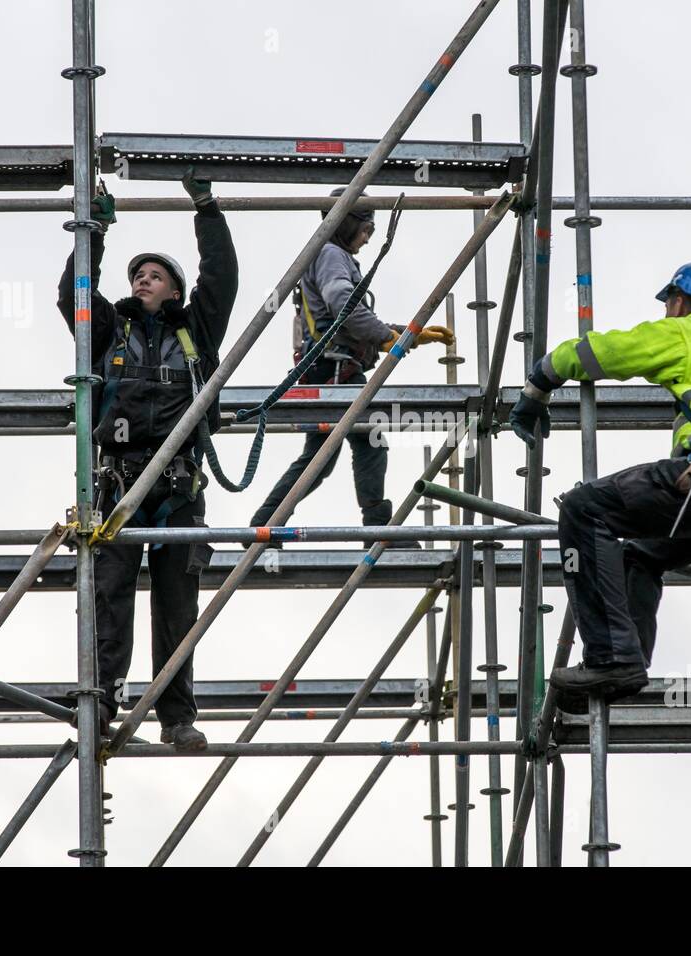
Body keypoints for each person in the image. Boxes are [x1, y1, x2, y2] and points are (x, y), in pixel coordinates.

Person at [508, 260, 691, 710]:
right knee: (638, 555)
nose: (666, 312)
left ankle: (609, 656)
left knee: (584, 509)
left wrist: (539, 381)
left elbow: (604, 352)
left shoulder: (688, 331)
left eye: (669, 304)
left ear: (681, 301)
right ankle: (624, 667)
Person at [58, 168, 238, 750]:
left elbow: (223, 277)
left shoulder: (196, 333)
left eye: (154, 275)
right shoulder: (108, 329)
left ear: (176, 292)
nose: (142, 280)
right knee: (109, 594)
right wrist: (95, 233)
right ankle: (102, 695)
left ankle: (176, 717)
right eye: (138, 274)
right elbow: (74, 295)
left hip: (179, 491)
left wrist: (206, 207)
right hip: (117, 490)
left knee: (176, 607)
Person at [247, 188, 452, 545]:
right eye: (366, 230)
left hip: (330, 367)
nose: (368, 239)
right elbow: (342, 303)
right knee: (366, 444)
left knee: (324, 458)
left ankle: (266, 523)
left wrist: (411, 335)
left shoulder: (328, 254)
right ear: (347, 223)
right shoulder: (330, 254)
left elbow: (346, 318)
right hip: (333, 370)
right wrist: (385, 337)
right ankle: (376, 528)